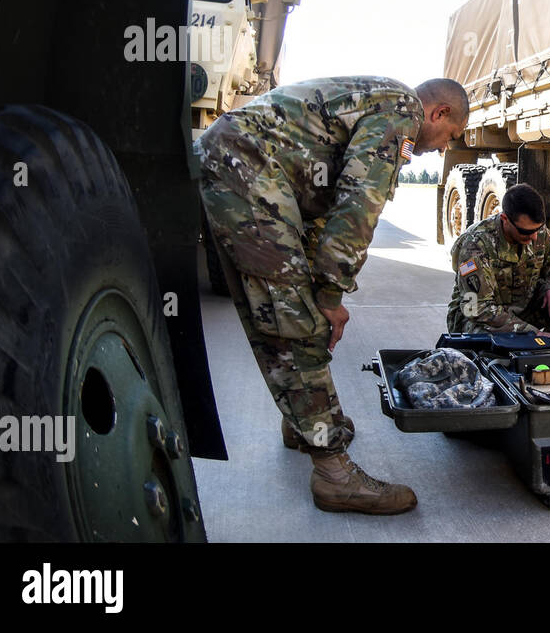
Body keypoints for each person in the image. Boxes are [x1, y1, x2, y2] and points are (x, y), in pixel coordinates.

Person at [197, 74, 468, 515]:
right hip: (244, 166)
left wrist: (320, 285)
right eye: (449, 136)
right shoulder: (401, 113)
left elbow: (323, 208)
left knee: (291, 308)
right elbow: (357, 207)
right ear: (438, 112)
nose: (441, 149)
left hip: (242, 162)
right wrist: (328, 296)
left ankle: (303, 422)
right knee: (295, 322)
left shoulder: (383, 102)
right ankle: (333, 473)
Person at [447, 182, 550, 343]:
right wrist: (532, 333)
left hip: (523, 309)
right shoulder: (475, 245)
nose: (535, 237)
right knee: (489, 346)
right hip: (480, 319)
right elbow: (476, 308)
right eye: (526, 232)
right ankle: (531, 345)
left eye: (538, 229)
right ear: (505, 219)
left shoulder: (537, 231)